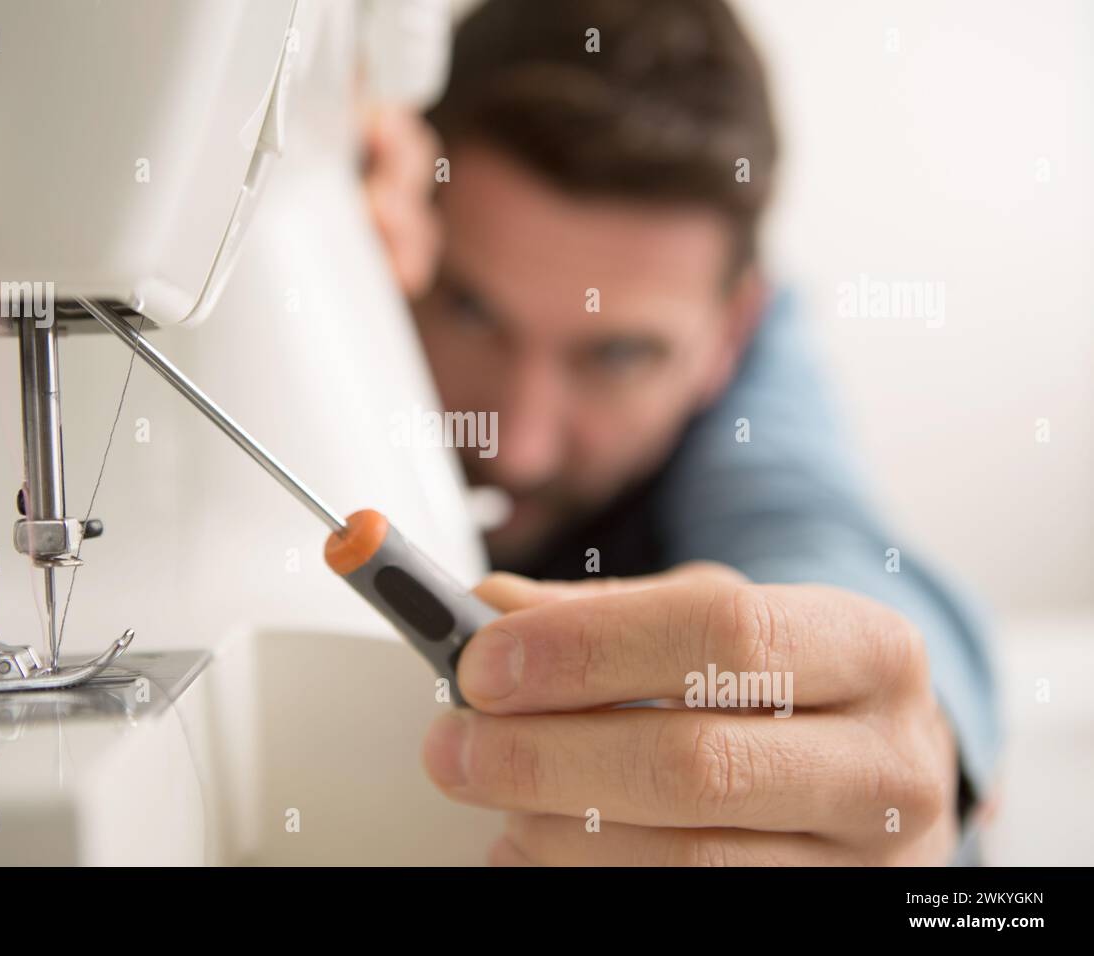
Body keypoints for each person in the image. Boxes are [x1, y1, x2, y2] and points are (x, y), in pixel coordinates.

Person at [363, 0, 999, 865]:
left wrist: (901, 754)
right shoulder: (350, 241)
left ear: (731, 335)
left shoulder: (757, 385)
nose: (520, 444)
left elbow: (816, 534)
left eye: (618, 355)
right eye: (471, 311)